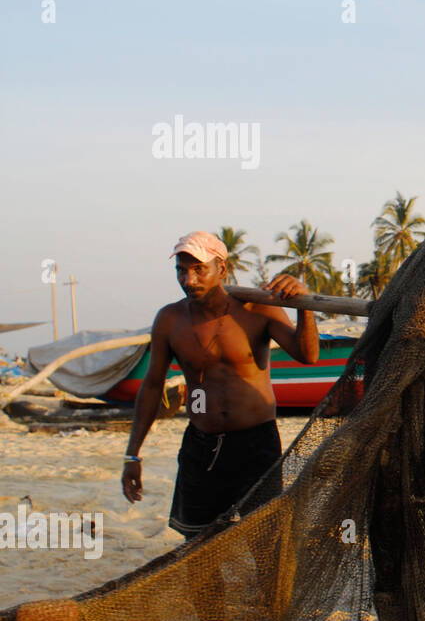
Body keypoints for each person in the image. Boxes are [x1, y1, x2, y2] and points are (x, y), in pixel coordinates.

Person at [121, 231, 319, 539]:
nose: (189, 279)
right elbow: (151, 386)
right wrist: (132, 455)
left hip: (256, 446)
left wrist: (304, 304)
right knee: (199, 547)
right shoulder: (170, 320)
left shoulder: (258, 309)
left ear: (222, 269)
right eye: (181, 270)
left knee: (265, 544)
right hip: (202, 448)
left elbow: (308, 355)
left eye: (199, 269)